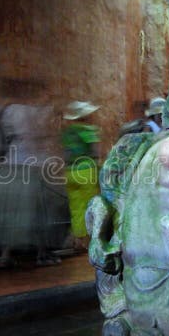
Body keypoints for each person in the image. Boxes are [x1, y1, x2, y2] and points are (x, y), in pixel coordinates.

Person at [0, 89, 69, 267]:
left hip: (11, 164)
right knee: (43, 212)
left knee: (13, 214)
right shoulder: (40, 112)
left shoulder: (10, 109)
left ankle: (6, 254)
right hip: (35, 165)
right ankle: (42, 253)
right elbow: (42, 136)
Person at [61, 101, 101, 250]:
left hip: (70, 171)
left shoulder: (67, 132)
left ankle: (77, 240)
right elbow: (95, 151)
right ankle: (89, 241)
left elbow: (65, 153)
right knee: (90, 205)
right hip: (86, 171)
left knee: (76, 208)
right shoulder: (89, 130)